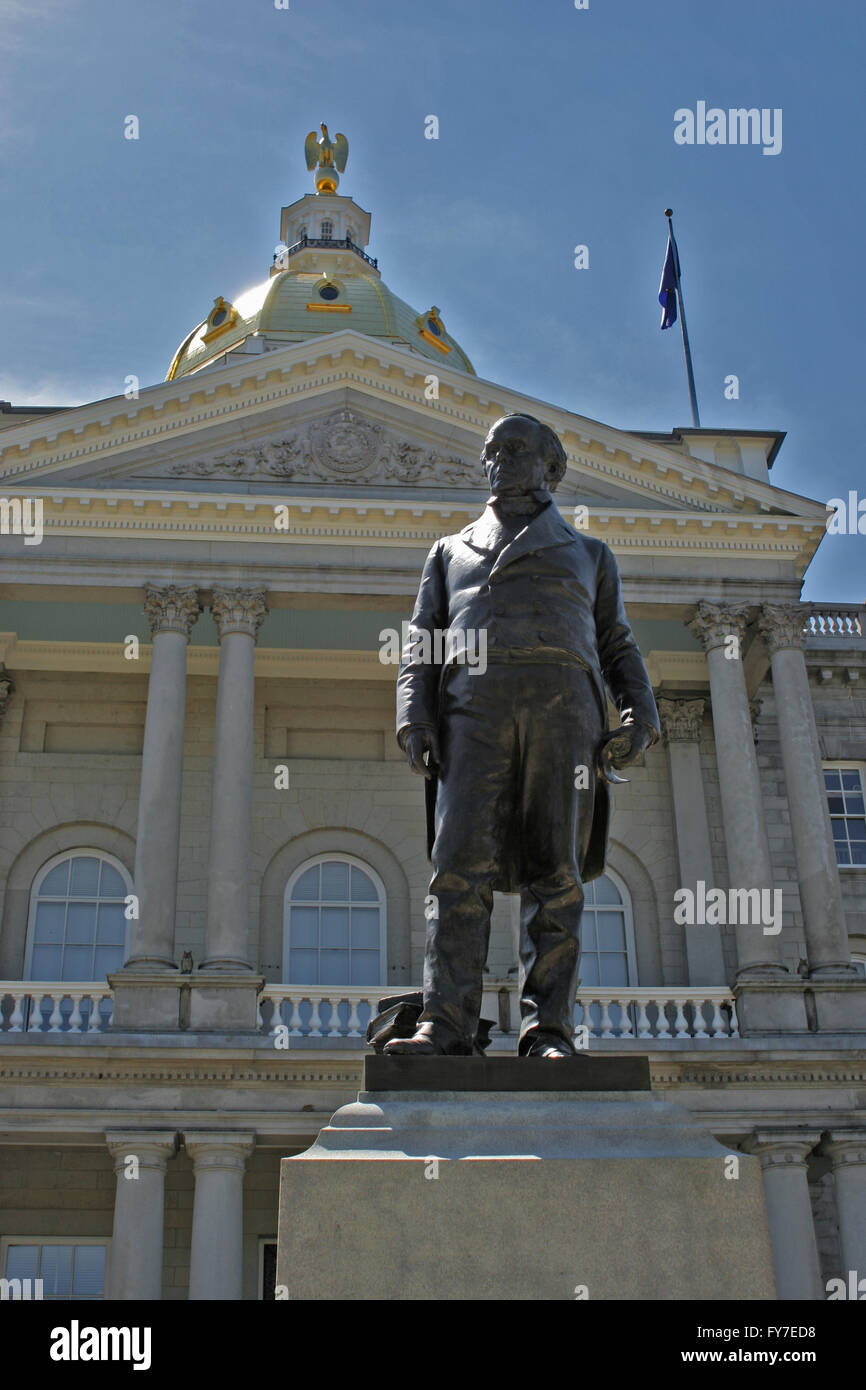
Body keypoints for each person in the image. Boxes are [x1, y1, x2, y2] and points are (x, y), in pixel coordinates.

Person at [386, 412, 659, 1059]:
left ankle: (549, 1031)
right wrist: (414, 715)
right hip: (472, 714)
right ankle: (446, 1023)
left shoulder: (589, 553)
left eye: (514, 450)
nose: (498, 462)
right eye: (491, 452)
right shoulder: (450, 551)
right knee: (457, 872)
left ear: (550, 467)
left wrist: (640, 715)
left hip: (566, 716)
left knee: (555, 875)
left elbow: (617, 642)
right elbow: (421, 641)